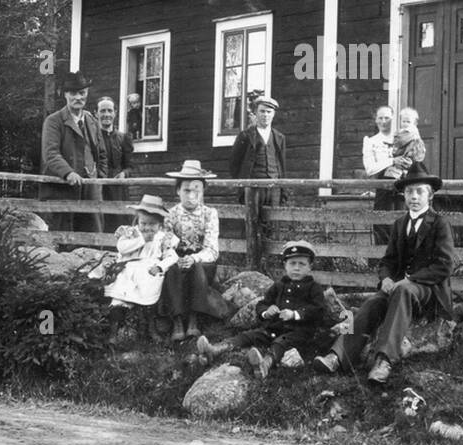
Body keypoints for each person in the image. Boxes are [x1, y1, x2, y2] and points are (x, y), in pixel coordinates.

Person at [313, 162, 455, 385]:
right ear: (403, 195)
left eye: (419, 191)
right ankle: (337, 356)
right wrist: (387, 278)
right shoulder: (400, 224)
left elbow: (444, 266)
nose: (414, 197)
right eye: (409, 192)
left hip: (429, 291)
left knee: (403, 291)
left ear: (430, 196)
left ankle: (384, 360)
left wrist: (408, 280)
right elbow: (387, 261)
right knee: (373, 302)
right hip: (401, 289)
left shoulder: (440, 224)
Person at [195, 240, 334, 378]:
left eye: (302, 264)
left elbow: (317, 309)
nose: (296, 268)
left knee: (280, 343)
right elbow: (262, 304)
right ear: (285, 265)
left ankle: (264, 365)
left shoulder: (313, 287)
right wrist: (267, 312)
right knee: (250, 335)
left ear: (310, 267)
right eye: (292, 263)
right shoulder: (279, 285)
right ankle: (216, 349)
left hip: (299, 332)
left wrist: (295, 314)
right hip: (274, 329)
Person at [90, 194, 178, 341]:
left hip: (150, 269)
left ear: (160, 225)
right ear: (138, 221)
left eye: (152, 225)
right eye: (143, 224)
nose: (147, 228)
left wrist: (160, 266)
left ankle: (150, 328)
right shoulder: (131, 233)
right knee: (120, 291)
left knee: (149, 289)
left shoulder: (163, 237)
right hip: (129, 267)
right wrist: (141, 240)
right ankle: (114, 331)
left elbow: (172, 256)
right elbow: (122, 248)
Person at [160, 159, 230, 341]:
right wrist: (175, 258)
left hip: (202, 262)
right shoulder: (170, 215)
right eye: (186, 190)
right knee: (172, 268)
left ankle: (193, 319)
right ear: (178, 191)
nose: (191, 195)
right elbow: (166, 245)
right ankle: (177, 320)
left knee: (197, 268)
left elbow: (212, 249)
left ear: (203, 191)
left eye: (196, 190)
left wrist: (194, 258)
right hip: (177, 259)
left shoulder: (210, 214)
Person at [40, 71, 108, 234]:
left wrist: (99, 179)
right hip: (64, 189)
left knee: (93, 235)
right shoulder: (54, 121)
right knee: (64, 237)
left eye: (82, 93)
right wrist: (68, 173)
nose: (78, 97)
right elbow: (51, 154)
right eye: (73, 93)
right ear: (65, 95)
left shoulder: (91, 121)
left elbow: (102, 154)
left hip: (90, 191)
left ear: (87, 94)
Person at [229, 93, 285, 206]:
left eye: (269, 112)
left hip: (274, 188)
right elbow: (234, 164)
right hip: (252, 188)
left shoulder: (279, 138)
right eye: (262, 111)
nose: (265, 115)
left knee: (273, 221)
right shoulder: (245, 136)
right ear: (256, 113)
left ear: (273, 114)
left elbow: (282, 165)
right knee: (252, 220)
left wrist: (282, 188)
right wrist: (243, 185)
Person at [362, 104, 398, 242]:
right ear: (376, 120)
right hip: (383, 192)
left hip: (402, 189)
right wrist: (392, 161)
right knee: (382, 228)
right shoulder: (371, 141)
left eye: (387, 118)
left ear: (393, 119)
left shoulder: (401, 139)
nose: (384, 121)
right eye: (380, 118)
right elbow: (370, 168)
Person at [96, 96, 137, 200]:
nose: (106, 114)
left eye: (110, 111)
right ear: (96, 113)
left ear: (115, 113)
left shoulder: (124, 138)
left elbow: (130, 167)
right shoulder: (91, 138)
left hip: (118, 191)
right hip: (97, 190)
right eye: (102, 111)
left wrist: (124, 174)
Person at [384, 106, 426, 179]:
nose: (405, 124)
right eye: (403, 121)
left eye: (408, 122)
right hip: (399, 155)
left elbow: (401, 142)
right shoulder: (400, 132)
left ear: (414, 123)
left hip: (408, 155)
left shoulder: (412, 133)